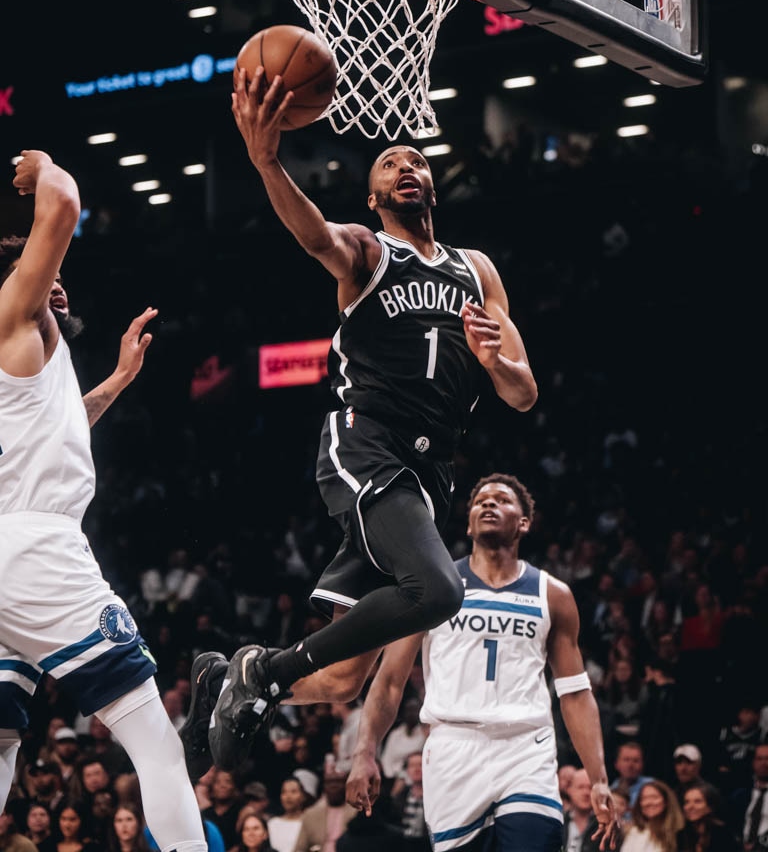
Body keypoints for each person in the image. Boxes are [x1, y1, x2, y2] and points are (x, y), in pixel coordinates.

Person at [182, 70, 538, 775]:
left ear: (434, 185)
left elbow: (524, 394)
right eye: (389, 163)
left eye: (417, 160)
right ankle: (262, 674)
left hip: (430, 475)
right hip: (369, 444)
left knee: (344, 678)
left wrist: (495, 361)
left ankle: (233, 679)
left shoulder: (477, 269)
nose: (406, 165)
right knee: (438, 591)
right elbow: (314, 236)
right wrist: (266, 160)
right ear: (374, 197)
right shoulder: (369, 252)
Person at [0, 152, 207, 852]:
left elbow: (57, 434)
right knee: (153, 736)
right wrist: (45, 166)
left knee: (0, 738)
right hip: (37, 550)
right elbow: (60, 205)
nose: (60, 285)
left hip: (8, 547)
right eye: (45, 273)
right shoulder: (10, 319)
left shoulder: (28, 363)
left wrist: (117, 381)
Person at [344, 473, 620, 851]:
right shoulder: (432, 589)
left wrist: (599, 777)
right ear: (469, 522)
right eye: (480, 501)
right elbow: (391, 681)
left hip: (526, 746)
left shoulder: (553, 595)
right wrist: (364, 753)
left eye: (503, 500)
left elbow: (574, 692)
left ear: (524, 523)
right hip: (453, 747)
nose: (489, 504)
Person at [620, 780, 683, 852]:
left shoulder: (679, 833)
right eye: (644, 798)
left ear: (666, 802)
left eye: (654, 797)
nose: (648, 802)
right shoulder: (635, 831)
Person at [677, 783, 737, 852]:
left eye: (697, 801)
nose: (690, 807)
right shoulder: (682, 835)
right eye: (687, 802)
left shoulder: (722, 834)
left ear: (710, 807)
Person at [610, 742, 654, 810]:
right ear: (616, 764)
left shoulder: (652, 786)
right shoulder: (610, 790)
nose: (630, 765)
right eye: (626, 760)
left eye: (636, 761)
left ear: (642, 764)